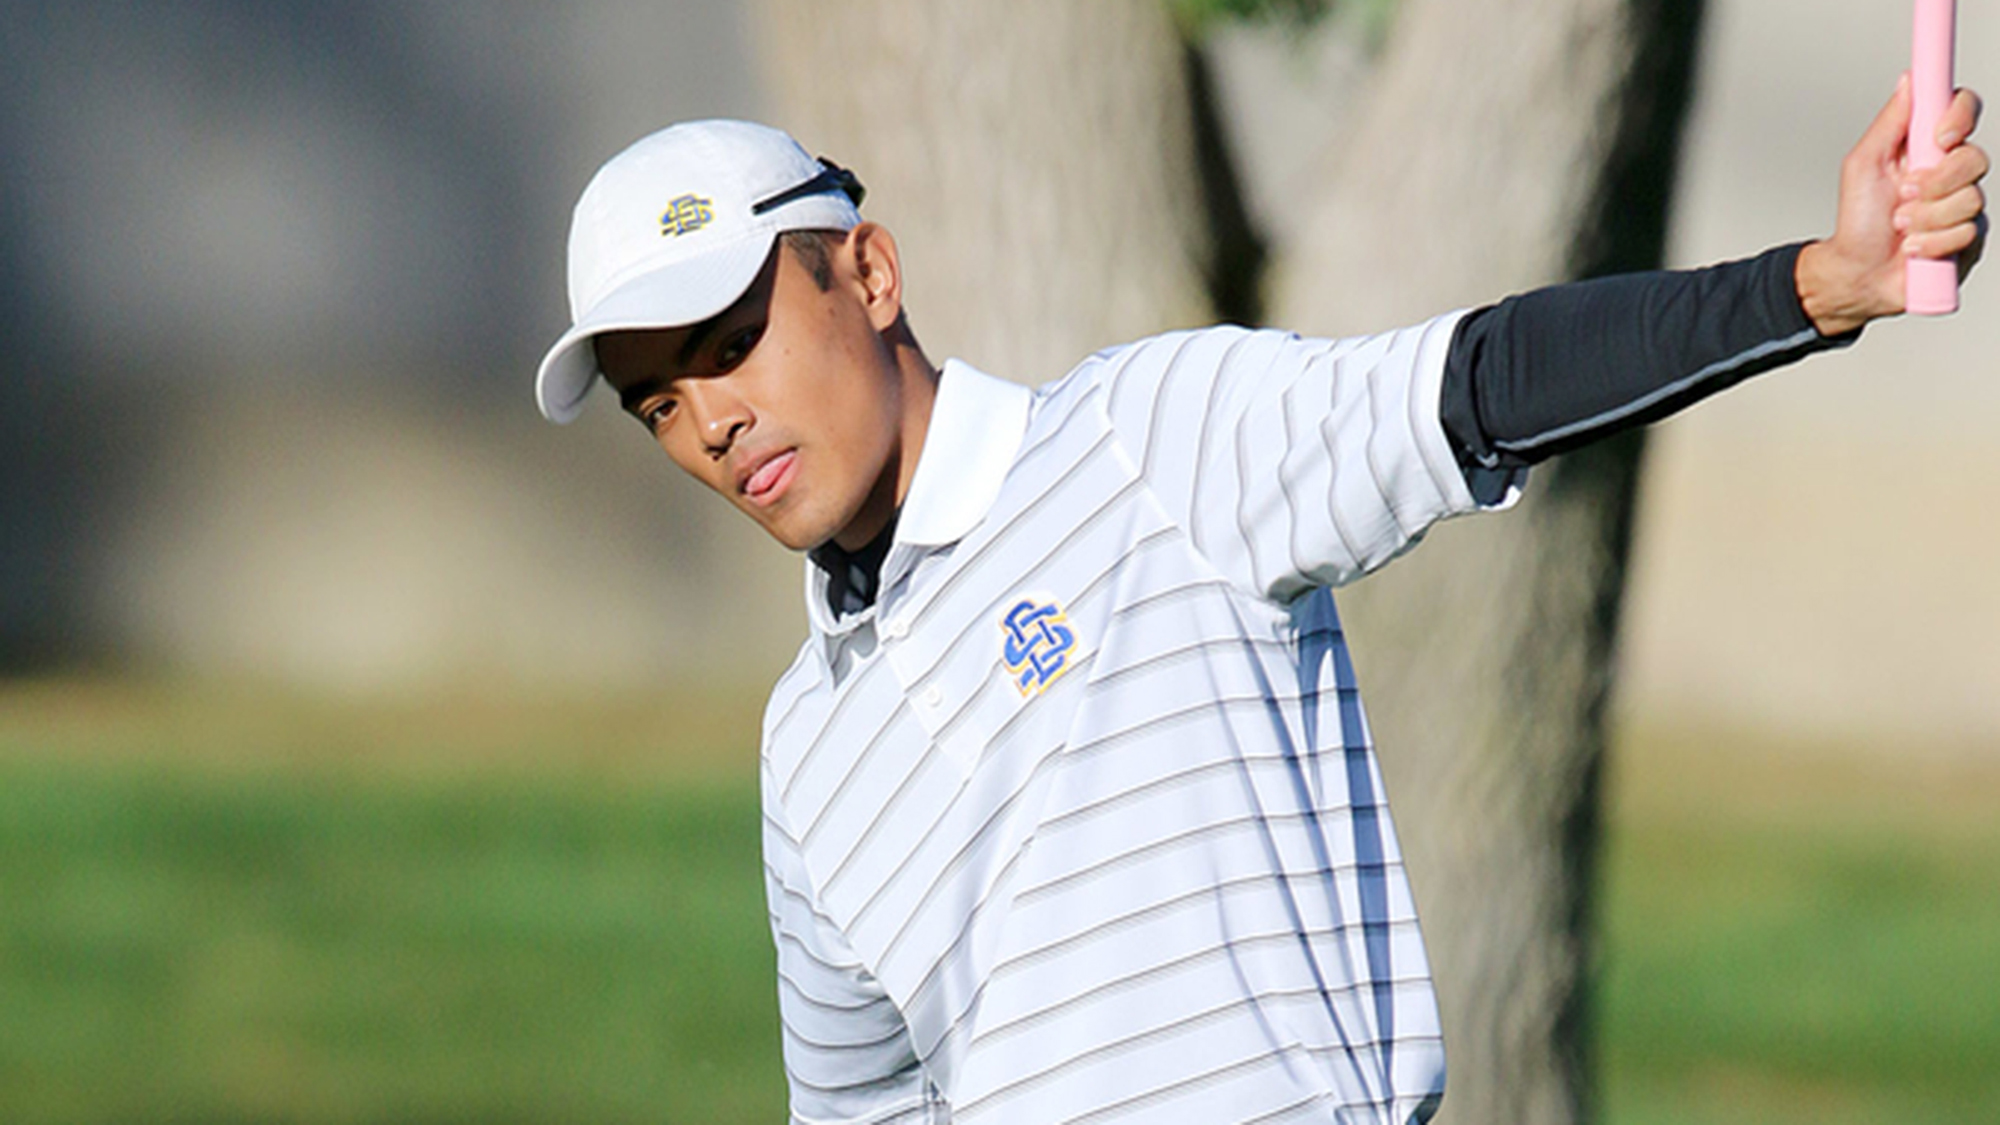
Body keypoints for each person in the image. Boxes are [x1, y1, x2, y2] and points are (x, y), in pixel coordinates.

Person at [534, 82, 1986, 1124]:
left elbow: (1481, 383)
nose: (711, 419)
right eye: (660, 399)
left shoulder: (1149, 441)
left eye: (733, 341)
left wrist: (1818, 283)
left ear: (867, 268)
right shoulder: (807, 751)